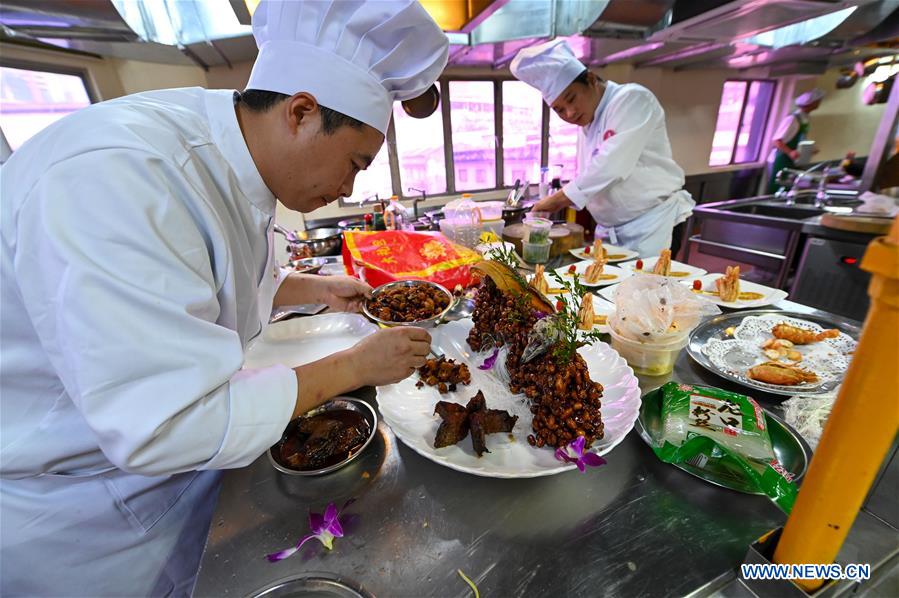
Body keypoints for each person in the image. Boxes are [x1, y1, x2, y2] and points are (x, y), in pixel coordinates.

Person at [0, 1, 447, 595]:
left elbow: (203, 276)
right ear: (302, 112)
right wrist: (354, 366)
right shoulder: (119, 175)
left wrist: (313, 288)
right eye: (354, 163)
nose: (348, 188)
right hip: (86, 515)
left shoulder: (220, 155)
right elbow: (166, 421)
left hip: (167, 479)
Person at [511, 39, 694, 258]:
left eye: (571, 99)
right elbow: (591, 176)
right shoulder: (587, 123)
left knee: (647, 280)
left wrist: (556, 200)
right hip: (609, 232)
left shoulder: (632, 99)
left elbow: (610, 166)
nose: (570, 113)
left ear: (590, 79)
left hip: (652, 225)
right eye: (559, 110)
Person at [767, 88, 825, 194]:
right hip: (780, 159)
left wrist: (810, 149)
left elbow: (801, 138)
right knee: (777, 189)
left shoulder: (805, 119)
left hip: (791, 161)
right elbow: (776, 141)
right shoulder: (792, 119)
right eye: (818, 101)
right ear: (811, 103)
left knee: (788, 189)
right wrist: (790, 152)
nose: (819, 103)